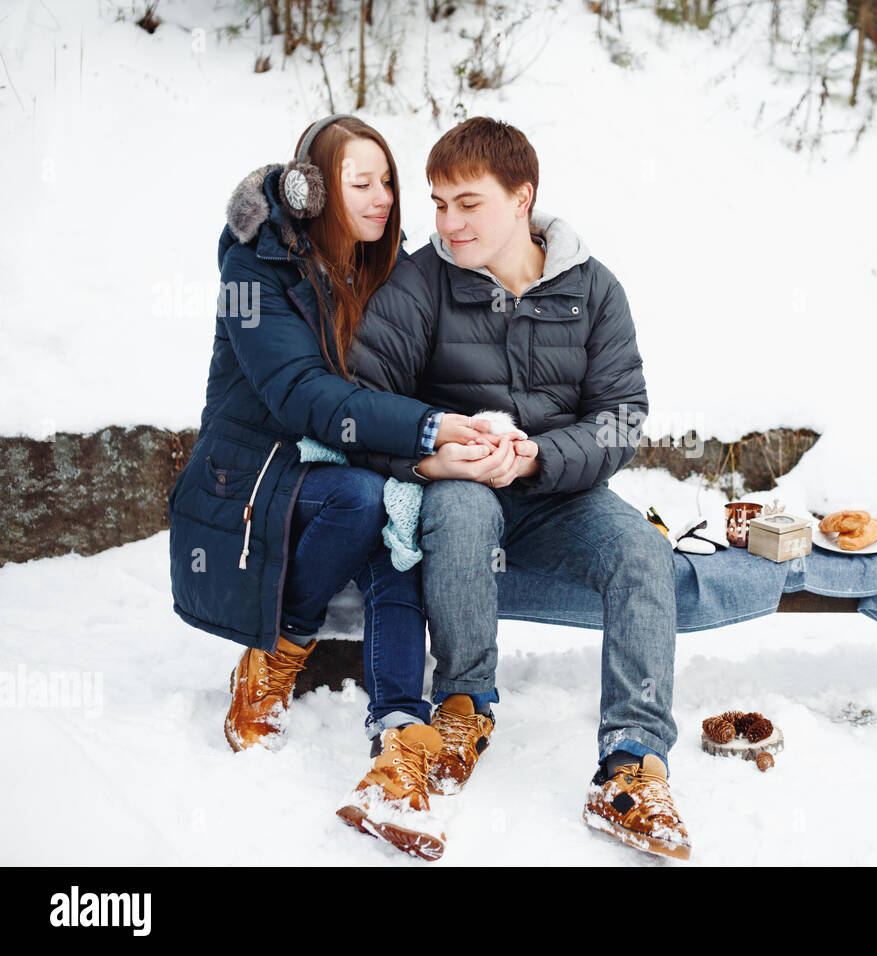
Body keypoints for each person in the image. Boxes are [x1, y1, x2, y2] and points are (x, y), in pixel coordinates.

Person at [348, 116, 690, 860]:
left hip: (558, 495)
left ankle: (633, 762)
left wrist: (537, 455)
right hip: (461, 489)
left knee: (641, 550)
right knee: (465, 509)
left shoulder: (595, 291)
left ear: (522, 197)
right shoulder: (421, 282)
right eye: (438, 204)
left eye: (467, 203)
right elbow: (364, 402)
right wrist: (437, 444)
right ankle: (466, 703)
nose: (448, 222)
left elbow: (620, 419)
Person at [167, 114, 505, 860]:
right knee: (361, 500)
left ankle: (397, 744)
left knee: (399, 526)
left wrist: (471, 440)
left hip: (352, 472)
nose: (383, 198)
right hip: (254, 484)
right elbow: (302, 398)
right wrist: (429, 432)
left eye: (388, 180)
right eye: (362, 183)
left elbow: (418, 381)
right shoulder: (256, 273)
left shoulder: (384, 271)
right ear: (313, 192)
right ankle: (272, 657)